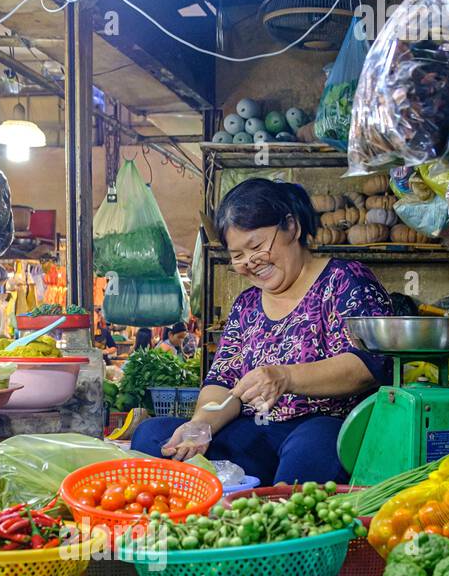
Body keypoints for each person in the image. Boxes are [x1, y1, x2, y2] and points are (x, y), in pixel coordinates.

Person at [130, 179, 392, 484]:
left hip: (326, 428)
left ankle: (282, 514)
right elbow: (222, 382)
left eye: (256, 247)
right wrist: (201, 426)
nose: (249, 263)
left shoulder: (345, 280)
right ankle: (224, 499)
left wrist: (286, 377)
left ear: (291, 228)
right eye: (237, 255)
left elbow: (368, 365)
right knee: (152, 435)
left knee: (314, 446)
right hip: (255, 430)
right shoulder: (247, 305)